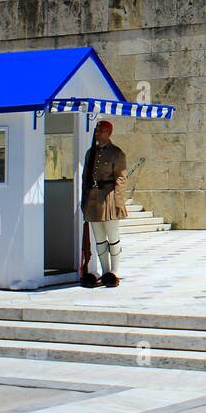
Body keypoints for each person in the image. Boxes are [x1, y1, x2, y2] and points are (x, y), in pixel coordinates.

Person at [80, 120, 128, 288]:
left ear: (109, 133)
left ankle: (115, 270)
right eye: (97, 130)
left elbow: (121, 179)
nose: (97, 133)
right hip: (93, 198)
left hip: (109, 197)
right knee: (99, 239)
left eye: (101, 131)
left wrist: (118, 201)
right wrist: (84, 199)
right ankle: (105, 270)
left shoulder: (116, 153)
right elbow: (85, 178)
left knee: (113, 237)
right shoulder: (90, 153)